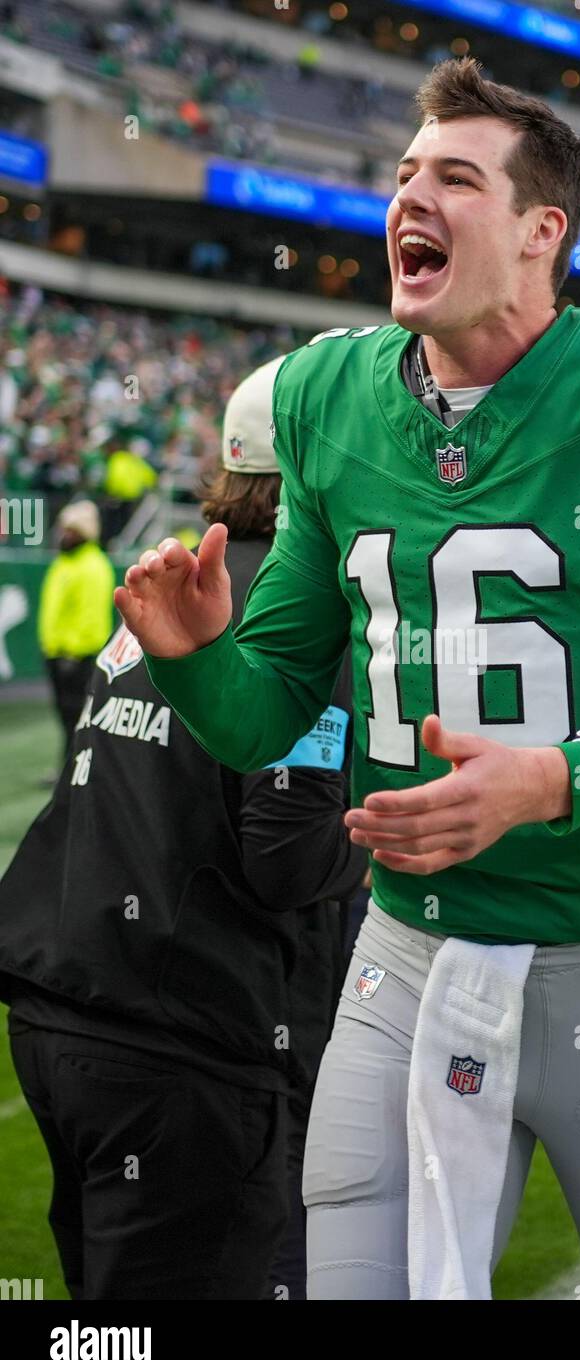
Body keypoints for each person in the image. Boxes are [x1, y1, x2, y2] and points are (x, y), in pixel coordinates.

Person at [115, 58, 580, 1301]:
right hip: (406, 959)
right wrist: (196, 656)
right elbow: (266, 705)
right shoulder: (326, 395)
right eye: (400, 175)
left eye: (452, 178)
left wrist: (553, 779)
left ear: (543, 231)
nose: (406, 199)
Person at [0, 358, 366, 1300]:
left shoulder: (176, 578)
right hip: (181, 1040)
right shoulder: (294, 608)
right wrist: (400, 823)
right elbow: (287, 856)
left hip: (65, 1005)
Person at [37, 499, 115, 766]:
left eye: (70, 529)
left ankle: (74, 768)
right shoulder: (63, 563)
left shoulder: (93, 565)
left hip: (77, 657)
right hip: (56, 652)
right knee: (65, 716)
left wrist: (72, 652)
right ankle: (68, 768)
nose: (63, 534)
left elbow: (91, 615)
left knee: (77, 715)